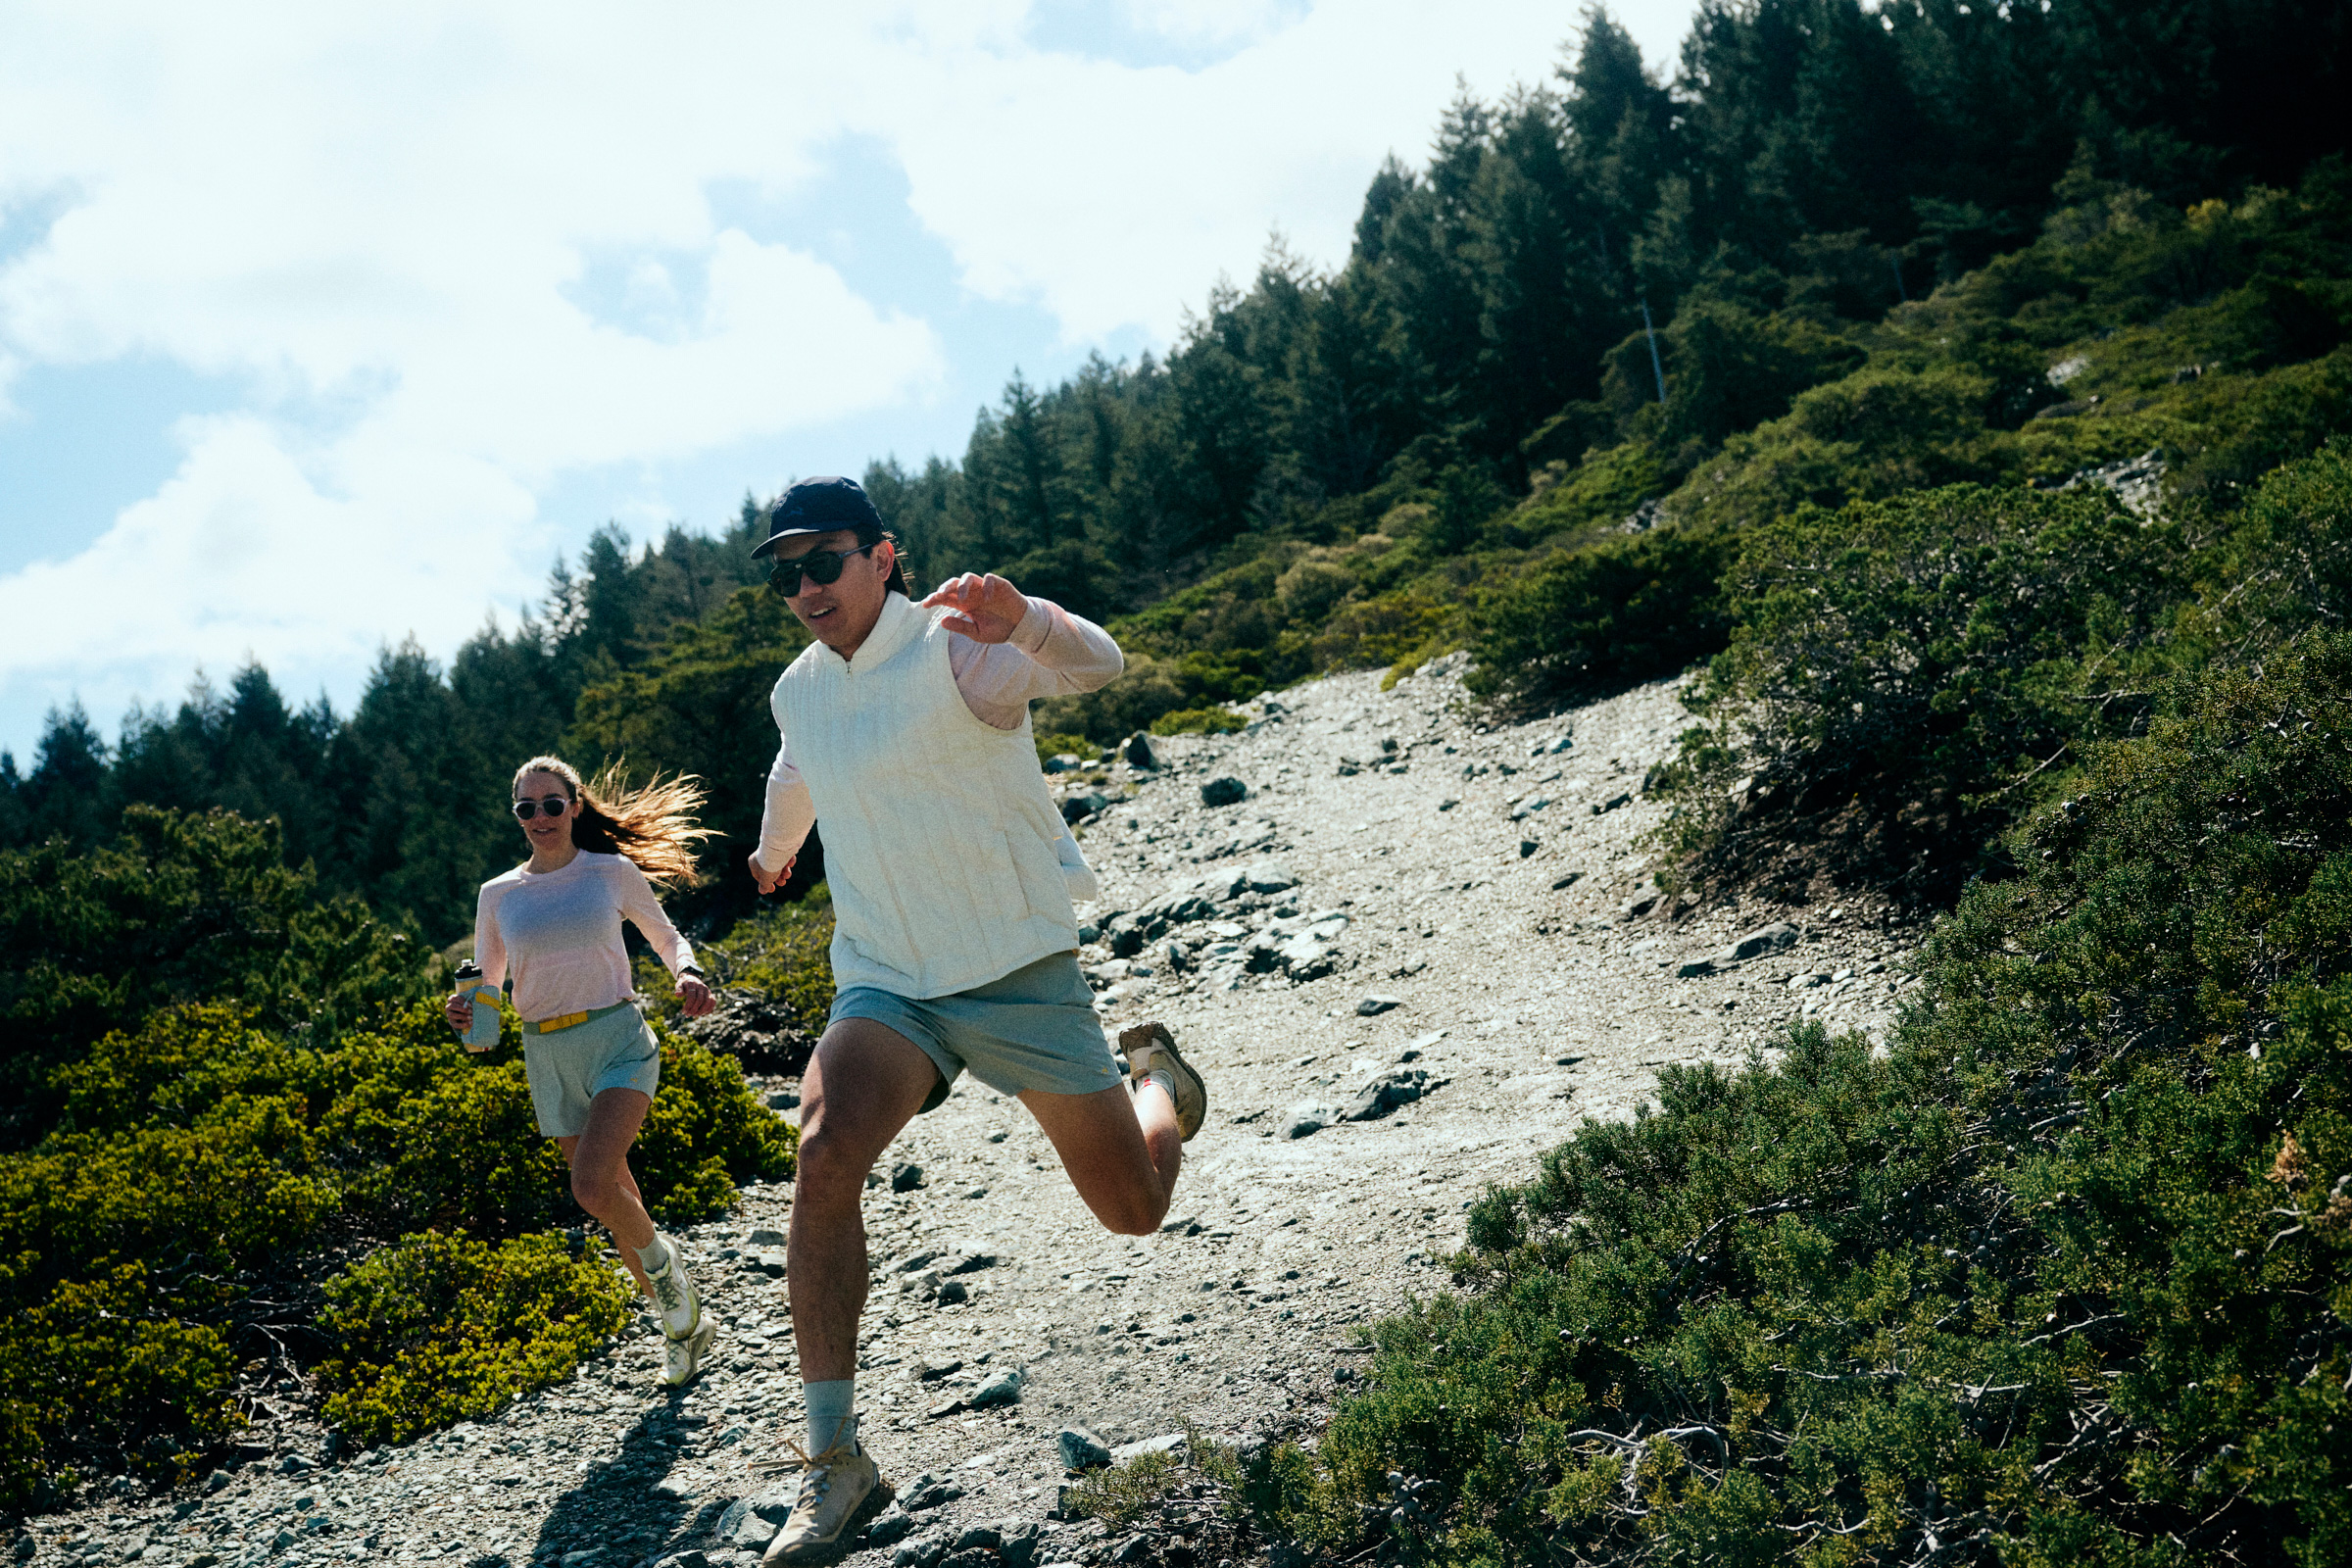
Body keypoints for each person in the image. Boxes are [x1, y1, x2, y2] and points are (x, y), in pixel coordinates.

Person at [740, 476, 1207, 1564]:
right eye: (787, 573)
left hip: (1014, 970)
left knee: (1134, 1210)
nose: (806, 587)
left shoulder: (960, 645)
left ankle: (1159, 1090)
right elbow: (799, 766)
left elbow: (1100, 665)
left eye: (825, 562)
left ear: (882, 557)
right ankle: (835, 1461)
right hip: (888, 981)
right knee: (823, 1151)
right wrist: (771, 852)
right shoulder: (799, 689)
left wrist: (1029, 618)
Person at [445, 755, 723, 1387]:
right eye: (527, 808)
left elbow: (665, 935)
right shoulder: (498, 895)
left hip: (617, 1039)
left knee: (592, 1186)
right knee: (619, 1199)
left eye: (551, 804)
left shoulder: (610, 872)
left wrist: (686, 972)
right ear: (517, 815)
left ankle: (668, 1275)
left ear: (574, 806)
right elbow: (487, 984)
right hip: (546, 1053)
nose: (540, 817)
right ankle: (681, 1329)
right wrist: (464, 1012)